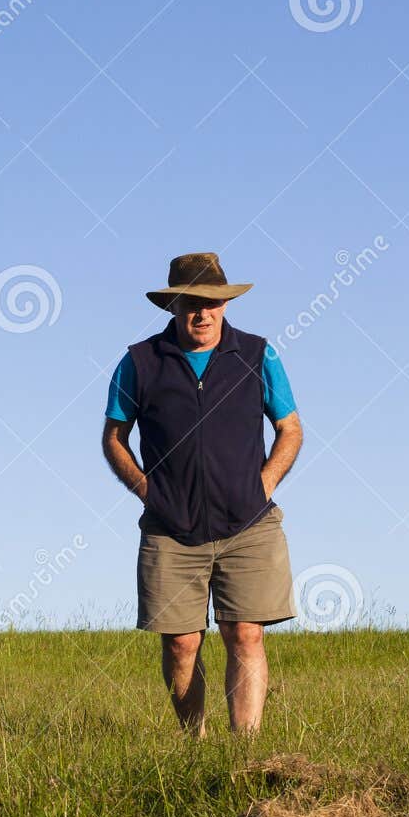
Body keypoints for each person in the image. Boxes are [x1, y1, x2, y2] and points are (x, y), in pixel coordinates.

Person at [100, 252, 303, 735]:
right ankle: (195, 741)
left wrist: (265, 482)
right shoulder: (139, 362)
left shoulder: (257, 355)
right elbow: (113, 436)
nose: (202, 313)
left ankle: (244, 748)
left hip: (249, 523)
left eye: (213, 303)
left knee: (245, 633)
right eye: (191, 303)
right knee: (181, 644)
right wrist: (148, 491)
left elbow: (290, 428)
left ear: (226, 305)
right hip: (171, 528)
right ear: (172, 305)